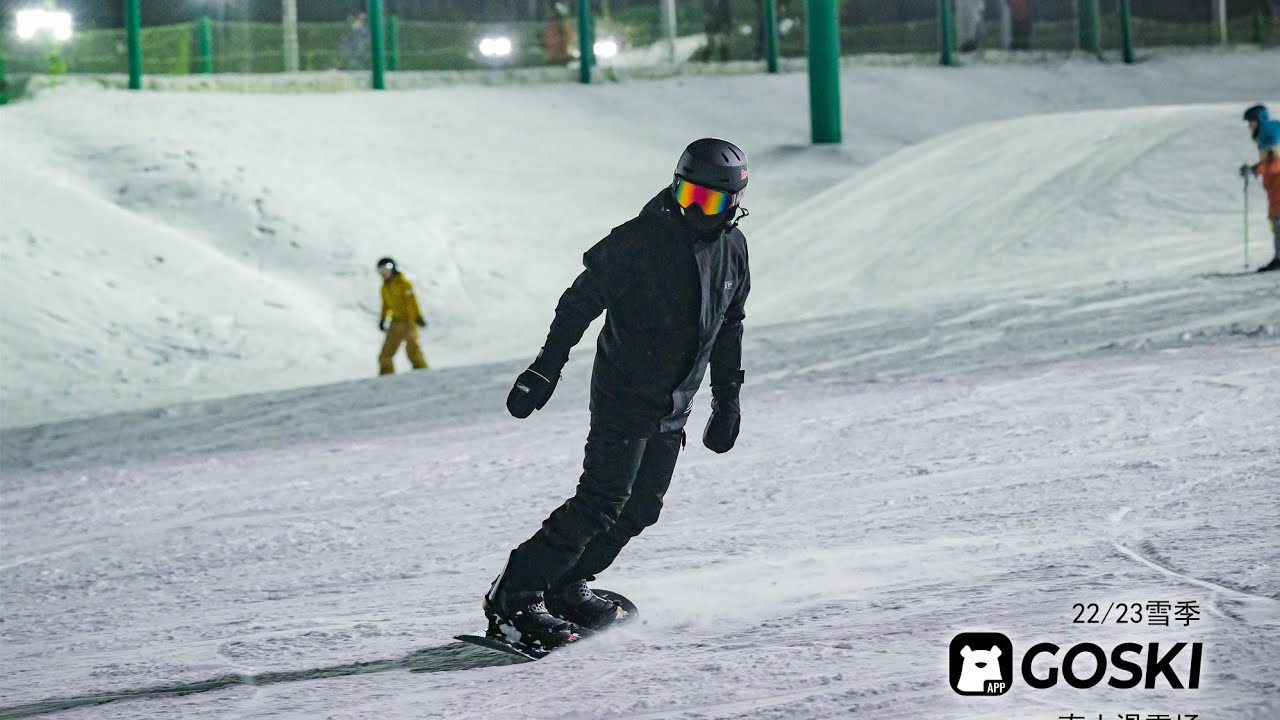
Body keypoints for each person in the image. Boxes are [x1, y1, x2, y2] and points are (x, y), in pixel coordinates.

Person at [483, 139, 752, 651]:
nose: (695, 209)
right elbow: (578, 302)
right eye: (687, 194)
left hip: (674, 405)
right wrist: (546, 367)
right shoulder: (640, 240)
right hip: (624, 395)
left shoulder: (733, 251)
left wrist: (727, 399)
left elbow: (729, 325)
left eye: (710, 202)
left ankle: (563, 586)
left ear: (734, 204)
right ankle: (512, 598)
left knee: (641, 509)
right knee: (600, 502)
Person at [1241, 105, 1280, 272]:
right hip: (1274, 190)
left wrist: (1255, 169)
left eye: (1252, 123)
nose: (1250, 127)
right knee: (1275, 223)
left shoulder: (1269, 133)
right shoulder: (1267, 134)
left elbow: (1276, 163)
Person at [376, 257, 429, 374]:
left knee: (413, 349)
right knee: (384, 356)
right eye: (381, 270)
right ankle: (386, 378)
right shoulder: (384, 287)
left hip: (409, 322)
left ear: (393, 268)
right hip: (395, 323)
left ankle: (423, 373)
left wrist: (417, 316)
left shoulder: (404, 283)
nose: (384, 273)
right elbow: (385, 305)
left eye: (386, 268)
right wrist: (382, 319)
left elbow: (412, 301)